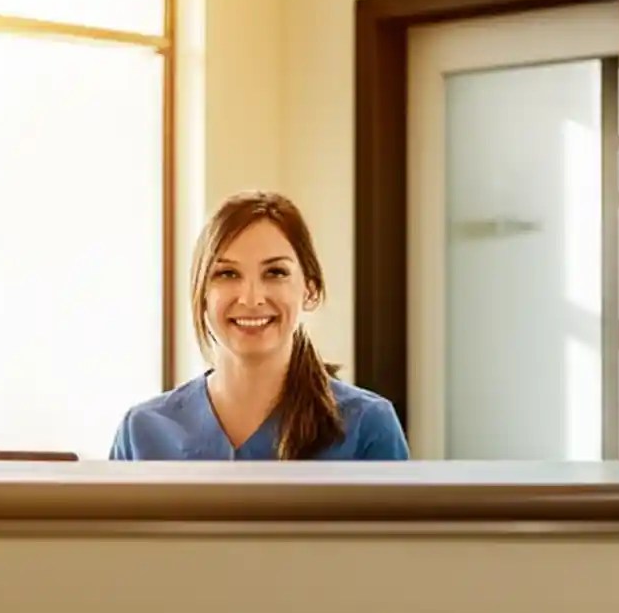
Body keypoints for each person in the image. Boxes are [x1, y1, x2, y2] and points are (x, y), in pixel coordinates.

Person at [109, 191, 409, 461]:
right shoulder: (141, 434)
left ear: (310, 290)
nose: (251, 299)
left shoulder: (368, 426)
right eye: (227, 274)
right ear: (201, 293)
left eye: (275, 272)